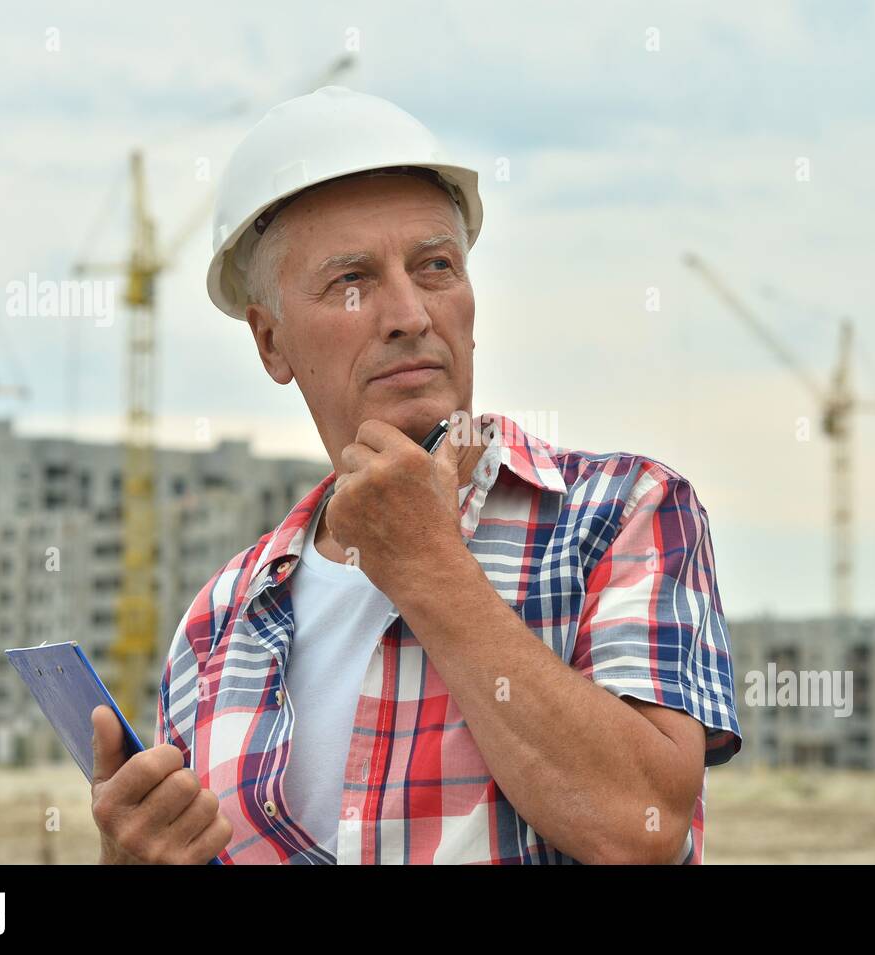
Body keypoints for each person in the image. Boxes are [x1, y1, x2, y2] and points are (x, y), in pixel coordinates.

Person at [89, 86, 741, 864]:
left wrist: (427, 563)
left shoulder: (621, 512)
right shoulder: (217, 625)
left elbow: (641, 827)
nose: (410, 314)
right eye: (352, 281)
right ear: (271, 342)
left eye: (436, 266)